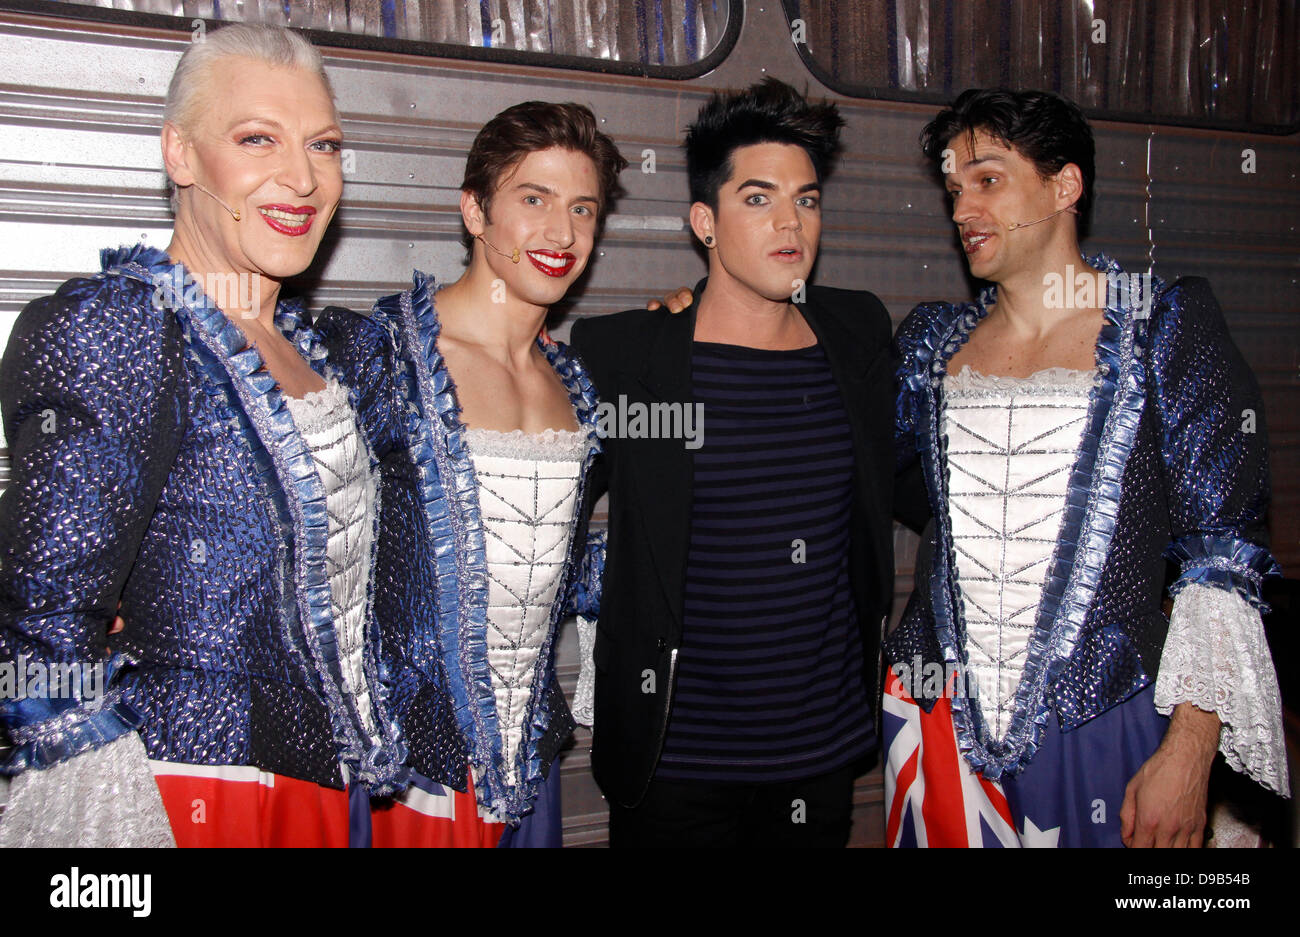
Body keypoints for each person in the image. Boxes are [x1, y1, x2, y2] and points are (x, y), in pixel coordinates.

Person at [0, 23, 411, 847]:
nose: (300, 178)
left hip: (334, 794)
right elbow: (39, 633)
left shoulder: (330, 351)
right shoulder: (121, 329)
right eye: (256, 138)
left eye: (323, 145)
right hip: (189, 793)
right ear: (180, 156)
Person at [885, 88, 1288, 847]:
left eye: (988, 180)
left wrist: (1192, 751)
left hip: (1108, 720)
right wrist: (698, 311)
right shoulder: (930, 346)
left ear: (1065, 185)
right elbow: (846, 452)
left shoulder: (1161, 325)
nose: (962, 208)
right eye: (953, 189)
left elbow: (1222, 560)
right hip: (936, 721)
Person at [568, 78, 899, 847]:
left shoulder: (858, 334)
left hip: (817, 761)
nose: (790, 222)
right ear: (704, 223)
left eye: (808, 199)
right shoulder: (625, 355)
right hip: (673, 764)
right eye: (758, 199)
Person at [317, 101, 625, 847]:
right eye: (534, 199)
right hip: (407, 776)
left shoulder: (577, 382)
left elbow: (548, 564)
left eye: (582, 208)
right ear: (474, 211)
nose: (561, 233)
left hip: (530, 771)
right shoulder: (377, 353)